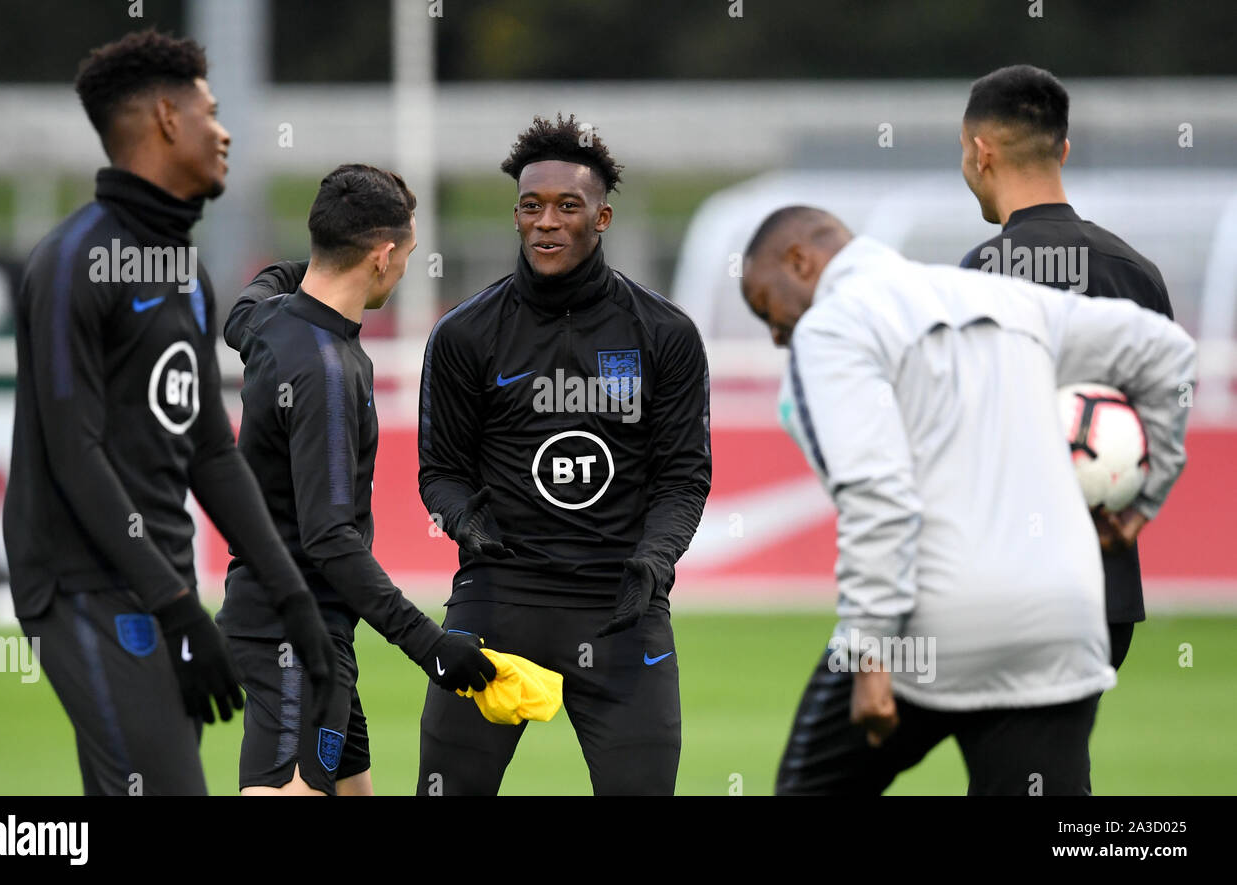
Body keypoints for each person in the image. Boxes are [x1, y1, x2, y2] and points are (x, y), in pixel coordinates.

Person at [739, 206, 1195, 795]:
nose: (775, 333)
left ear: (799, 261)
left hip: (930, 628)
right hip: (1060, 623)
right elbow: (1167, 352)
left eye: (764, 308)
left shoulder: (832, 328)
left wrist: (870, 649)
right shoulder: (1004, 297)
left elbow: (878, 496)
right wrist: (1144, 498)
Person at [3, 30, 335, 796]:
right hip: (84, 588)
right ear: (164, 118)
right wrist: (178, 608)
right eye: (211, 112)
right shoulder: (73, 260)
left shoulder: (183, 270)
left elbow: (212, 455)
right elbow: (73, 451)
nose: (225, 133)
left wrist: (295, 595)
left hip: (159, 586)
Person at [417, 114, 711, 795]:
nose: (546, 221)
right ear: (516, 215)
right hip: (498, 602)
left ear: (601, 217)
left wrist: (655, 558)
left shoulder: (664, 334)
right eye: (531, 205)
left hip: (621, 606)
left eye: (567, 206)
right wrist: (465, 520)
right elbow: (441, 470)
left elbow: (683, 476)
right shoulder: (465, 334)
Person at [217, 164, 495, 796]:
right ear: (383, 254)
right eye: (407, 257)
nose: (404, 272)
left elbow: (251, 299)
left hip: (293, 624)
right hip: (295, 632)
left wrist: (322, 251)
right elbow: (330, 540)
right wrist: (432, 646)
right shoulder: (328, 374)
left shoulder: (267, 325)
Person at [958, 64, 1174, 671]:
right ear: (1064, 149)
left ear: (981, 152)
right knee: (1056, 759)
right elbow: (1163, 424)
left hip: (1010, 586)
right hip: (1107, 590)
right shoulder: (1136, 273)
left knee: (1013, 763)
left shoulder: (976, 278)